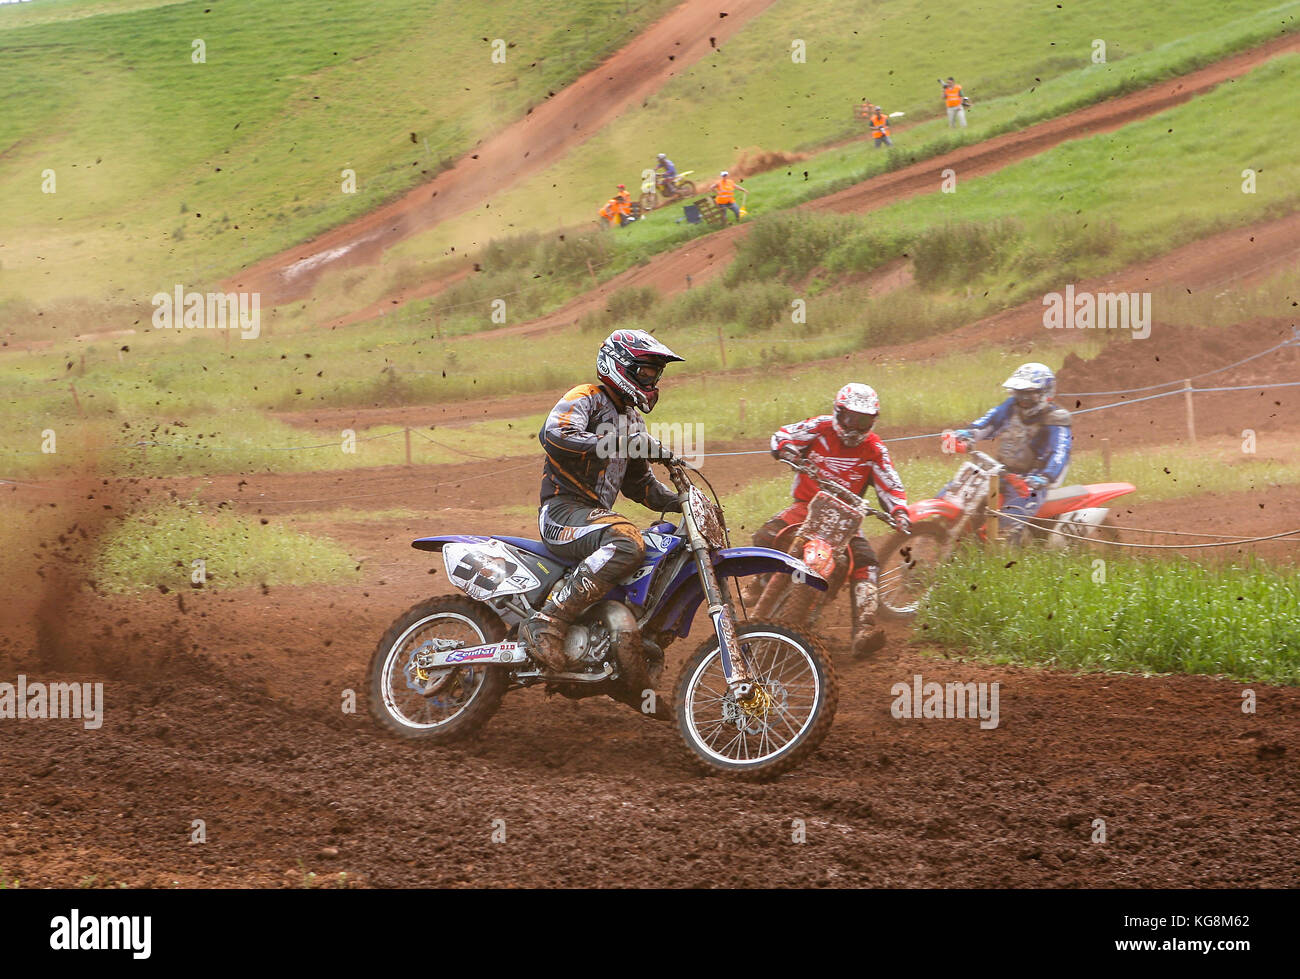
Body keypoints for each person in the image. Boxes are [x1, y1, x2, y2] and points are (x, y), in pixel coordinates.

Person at [523, 330, 685, 670]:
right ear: (621, 366)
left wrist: (682, 500)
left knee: (662, 541)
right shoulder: (586, 397)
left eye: (656, 373)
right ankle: (547, 622)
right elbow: (554, 435)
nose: (653, 379)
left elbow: (640, 487)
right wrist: (623, 444)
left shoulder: (633, 419)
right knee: (627, 540)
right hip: (562, 514)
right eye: (646, 372)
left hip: (592, 519)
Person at [749, 383, 909, 658]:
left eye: (864, 421)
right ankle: (762, 582)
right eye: (851, 419)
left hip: (847, 520)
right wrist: (786, 449)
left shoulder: (874, 448)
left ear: (872, 421)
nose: (856, 427)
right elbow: (784, 434)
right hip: (806, 507)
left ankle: (864, 629)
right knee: (765, 535)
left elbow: (890, 481)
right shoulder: (820, 427)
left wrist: (899, 511)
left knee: (867, 563)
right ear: (838, 413)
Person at [951, 363, 1072, 544]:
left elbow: (1060, 452)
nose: (1023, 398)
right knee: (963, 496)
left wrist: (1045, 477)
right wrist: (967, 433)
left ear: (1044, 392)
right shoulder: (1011, 406)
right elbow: (988, 421)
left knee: (1006, 524)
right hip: (1005, 470)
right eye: (1019, 391)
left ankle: (1012, 560)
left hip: (1035, 477)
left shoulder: (1057, 418)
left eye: (1029, 393)